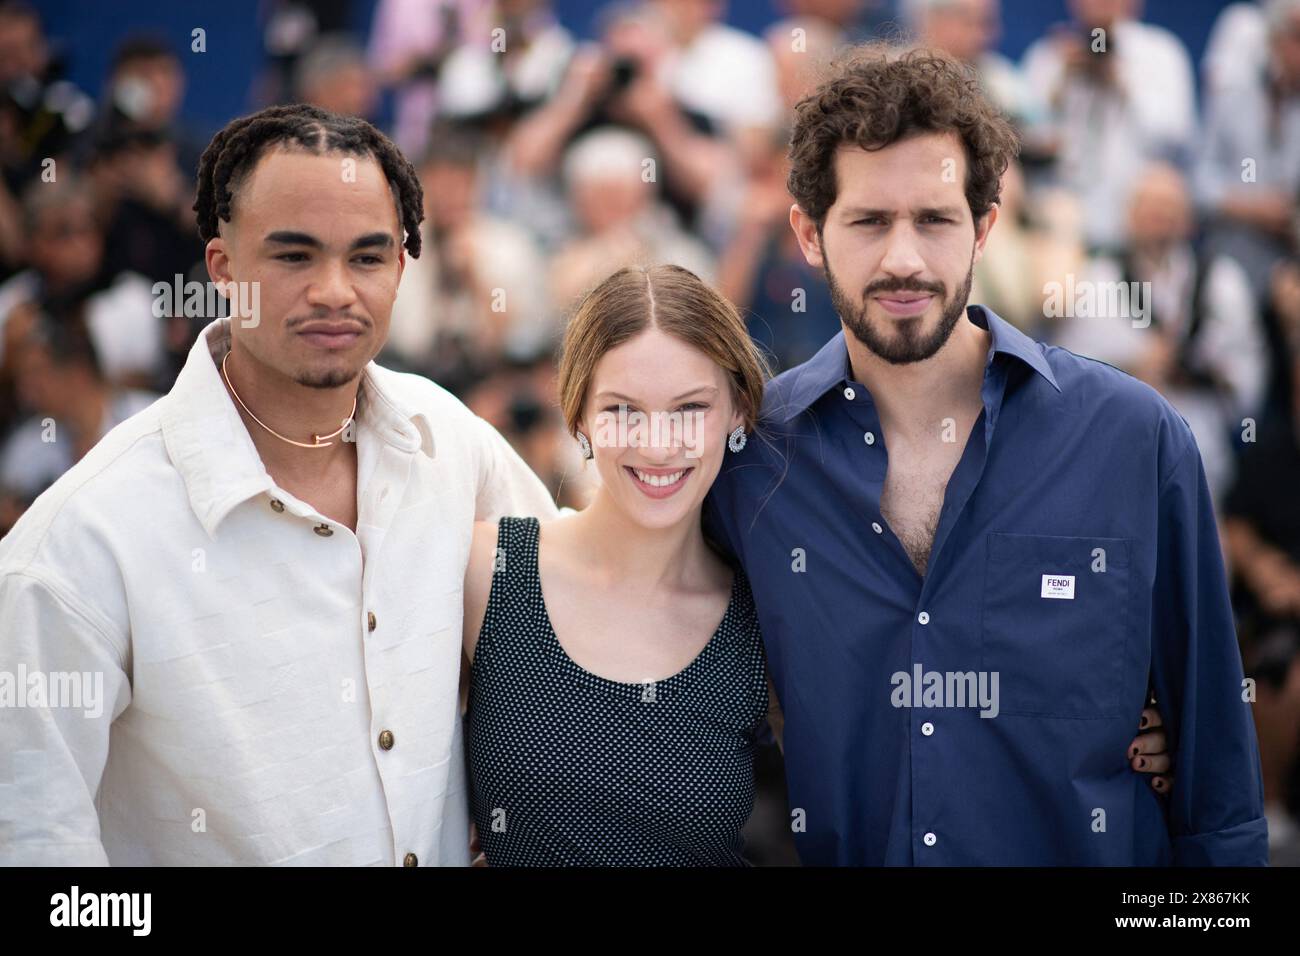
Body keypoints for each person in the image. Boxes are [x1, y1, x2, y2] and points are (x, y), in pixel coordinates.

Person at [705, 45, 1267, 865]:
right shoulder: (751, 462)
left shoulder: (1134, 439)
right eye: (868, 220)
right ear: (808, 234)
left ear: (986, 228)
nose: (904, 259)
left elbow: (1218, 785)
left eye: (935, 219)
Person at [462, 264, 1172, 866]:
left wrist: (1103, 723)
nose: (658, 443)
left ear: (741, 411)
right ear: (578, 412)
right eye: (622, 409)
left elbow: (903, 709)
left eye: (690, 408)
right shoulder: (484, 573)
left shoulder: (763, 605)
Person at [0, 103, 556, 865]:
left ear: (401, 265)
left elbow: (575, 621)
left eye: (366, 257)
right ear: (223, 269)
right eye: (294, 257)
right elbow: (37, 847)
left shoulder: (447, 440)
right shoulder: (80, 541)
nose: (334, 290)